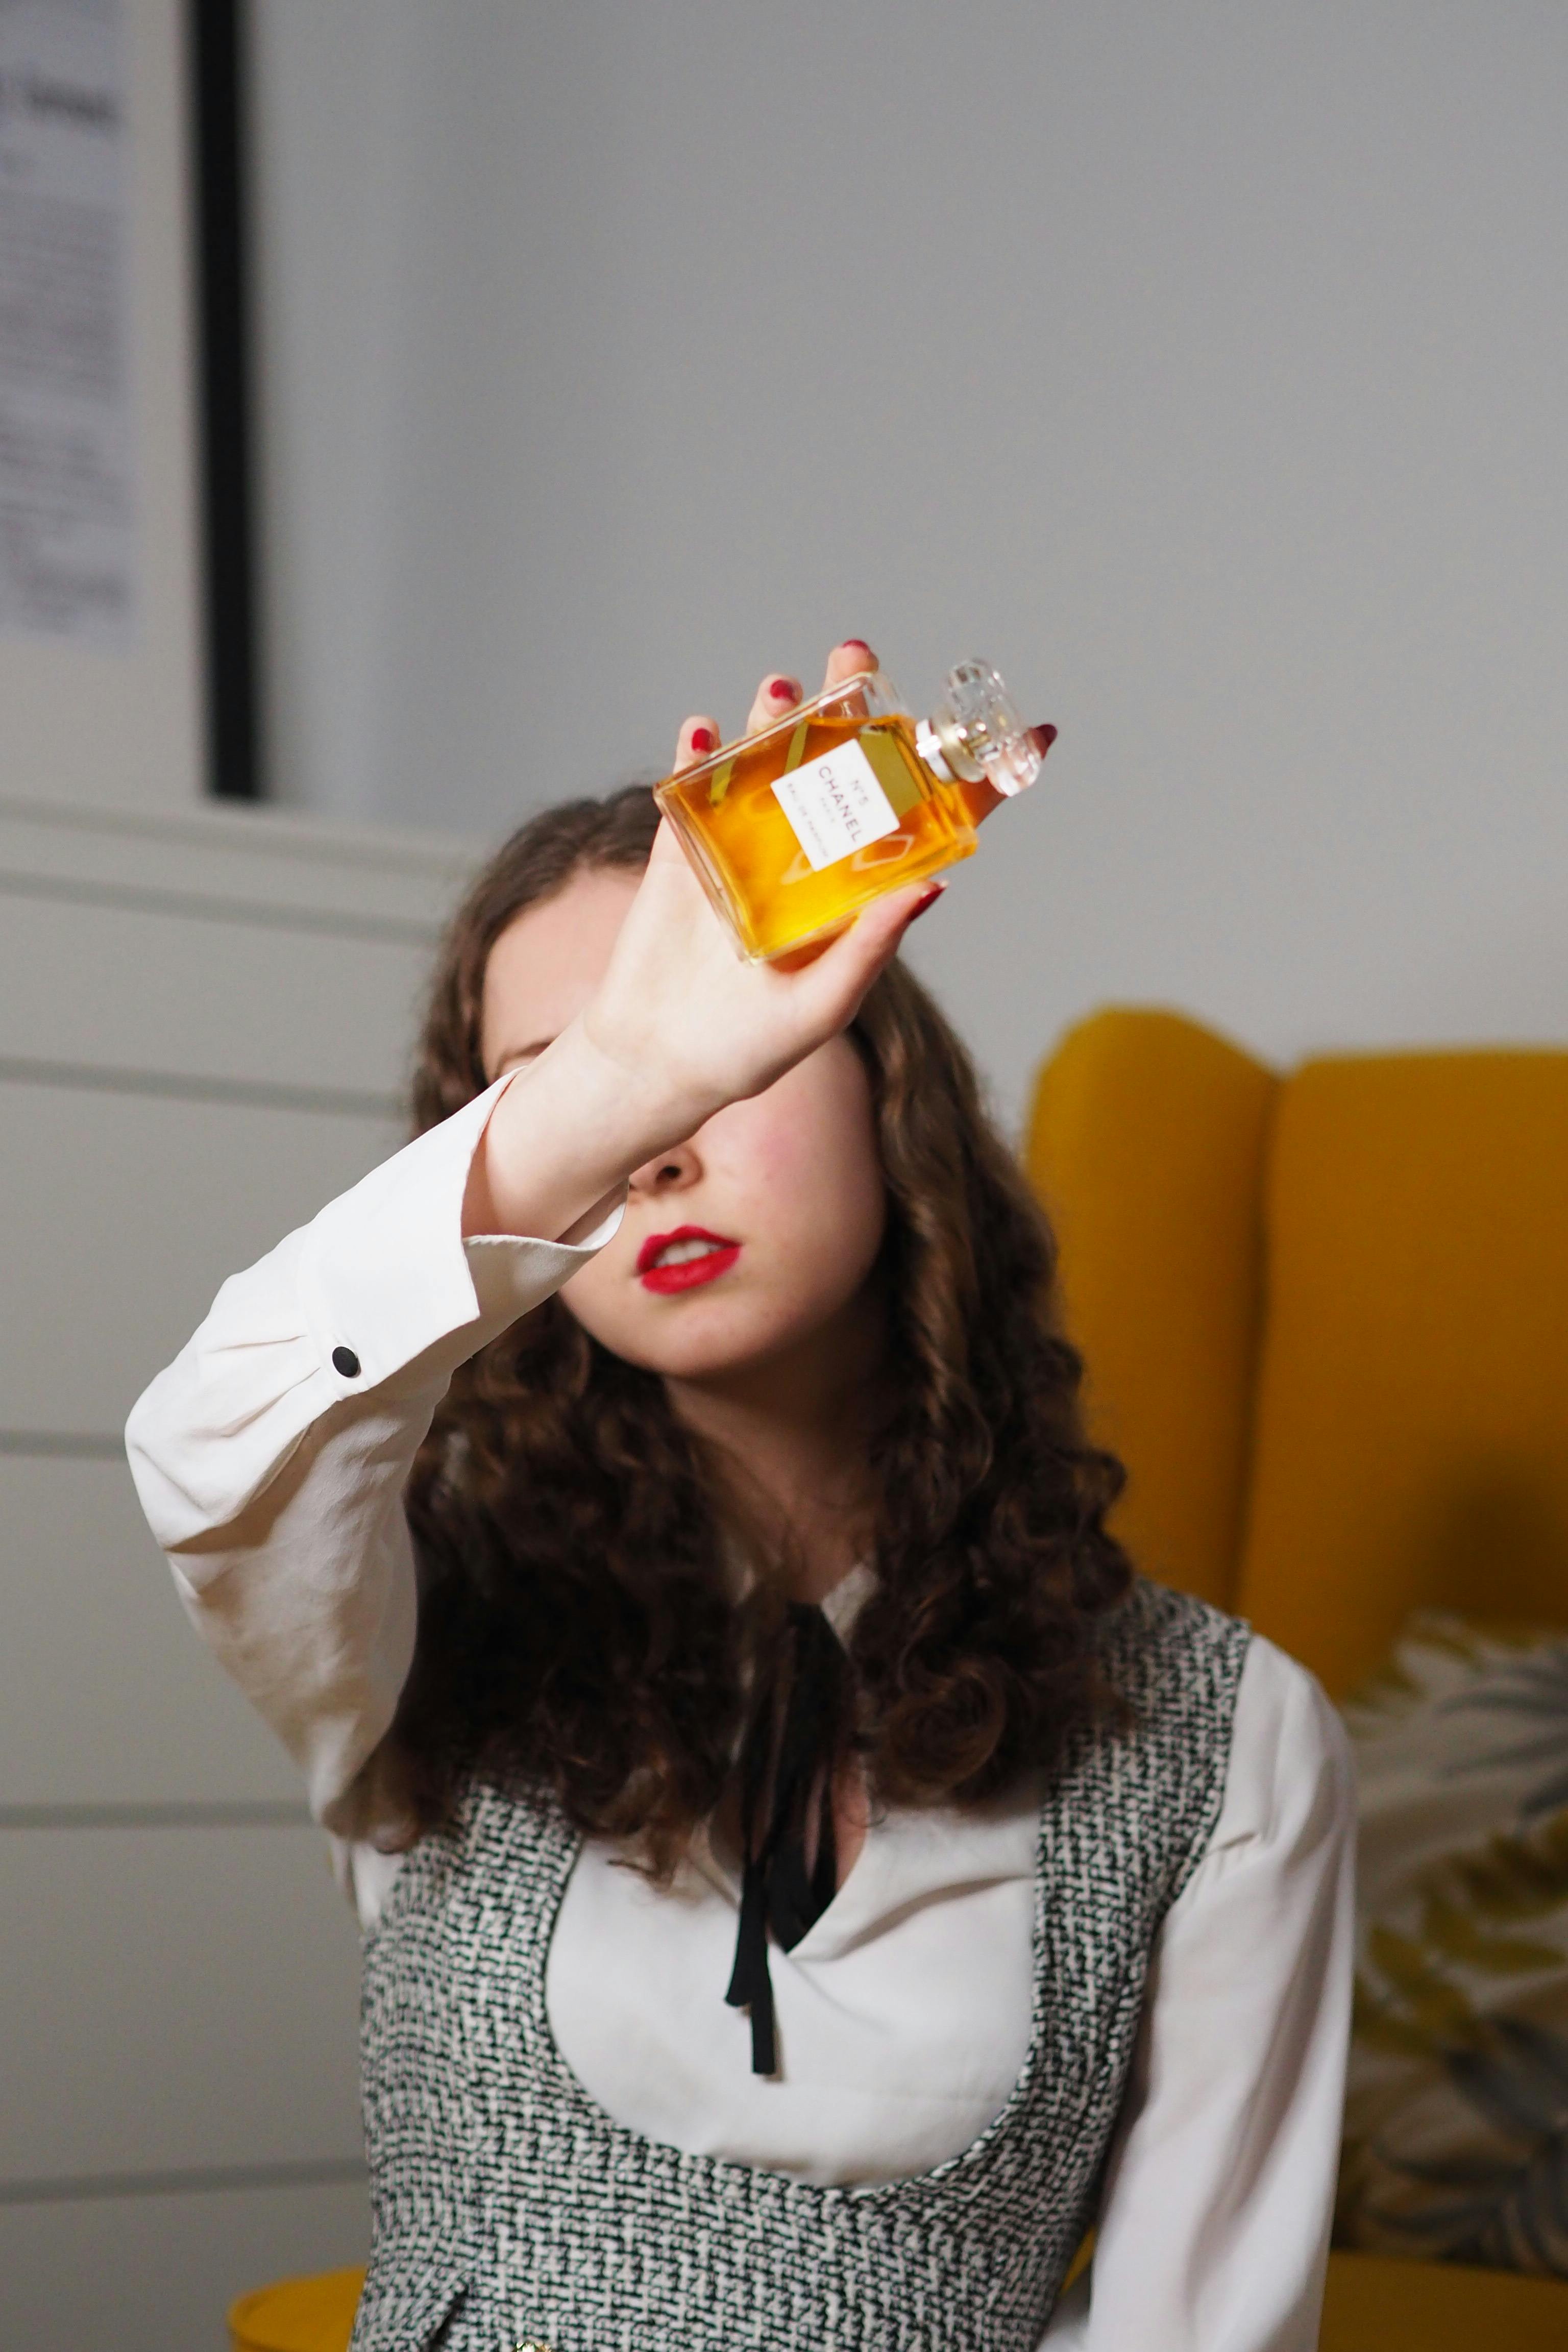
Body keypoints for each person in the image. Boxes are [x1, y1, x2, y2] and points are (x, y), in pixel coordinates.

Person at [127, 642, 1355, 2352]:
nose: (663, 1144)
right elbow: (209, 1442)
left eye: (736, 1060)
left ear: (885, 1087)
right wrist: (627, 1075)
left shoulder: (1231, 1739)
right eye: (554, 1085)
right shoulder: (405, 1624)